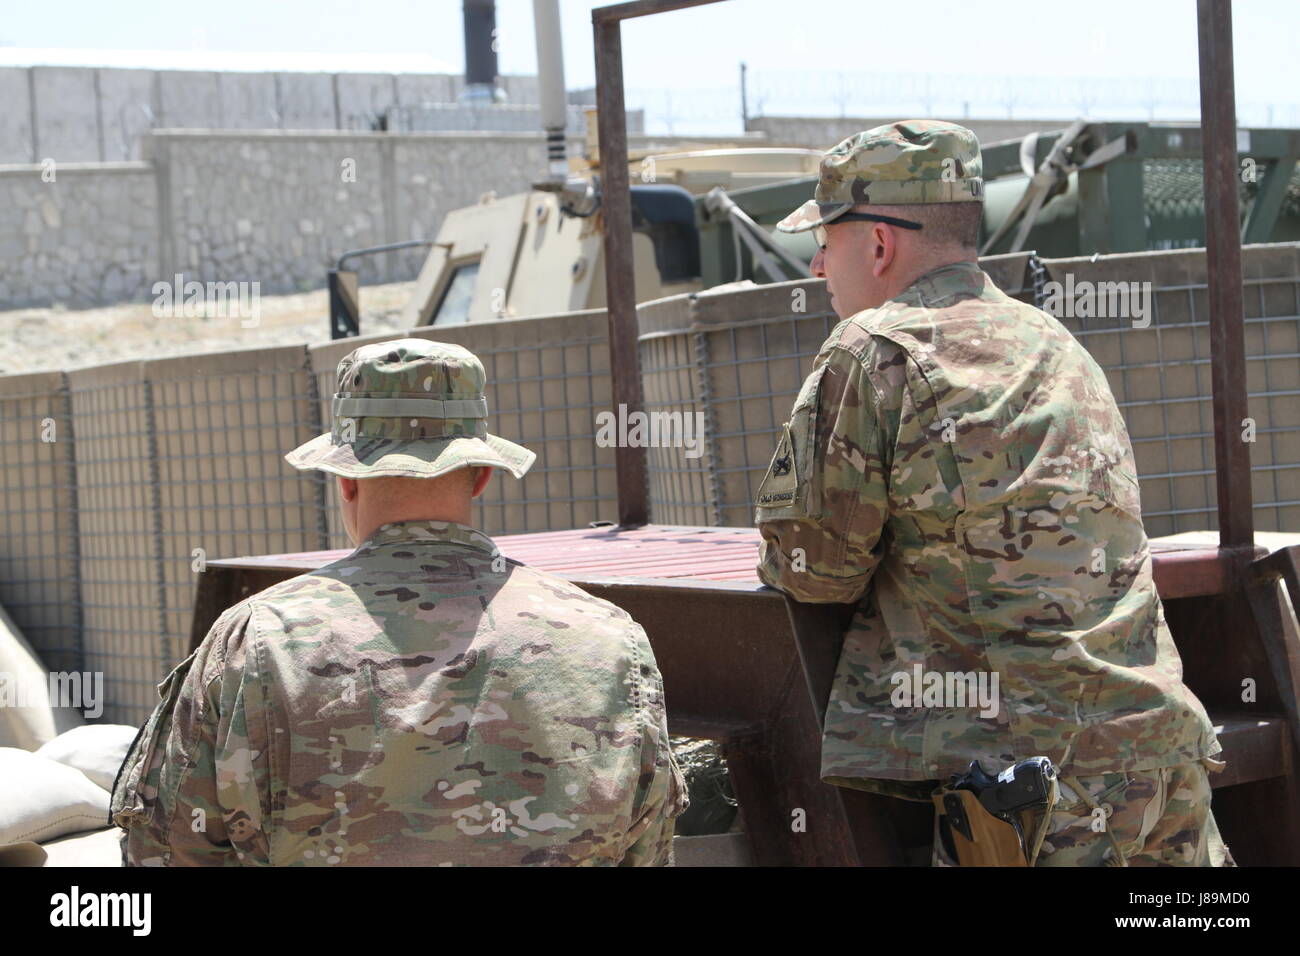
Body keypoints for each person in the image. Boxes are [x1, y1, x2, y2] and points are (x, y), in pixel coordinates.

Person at [754, 120, 1232, 866]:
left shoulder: (874, 349)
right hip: (1160, 753)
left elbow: (817, 571)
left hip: (1034, 786)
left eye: (827, 239)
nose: (817, 263)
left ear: (878, 244)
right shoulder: (1055, 342)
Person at [110, 338, 687, 865]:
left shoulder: (257, 640)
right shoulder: (609, 639)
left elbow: (166, 849)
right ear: (482, 473)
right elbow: (649, 846)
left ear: (347, 479)